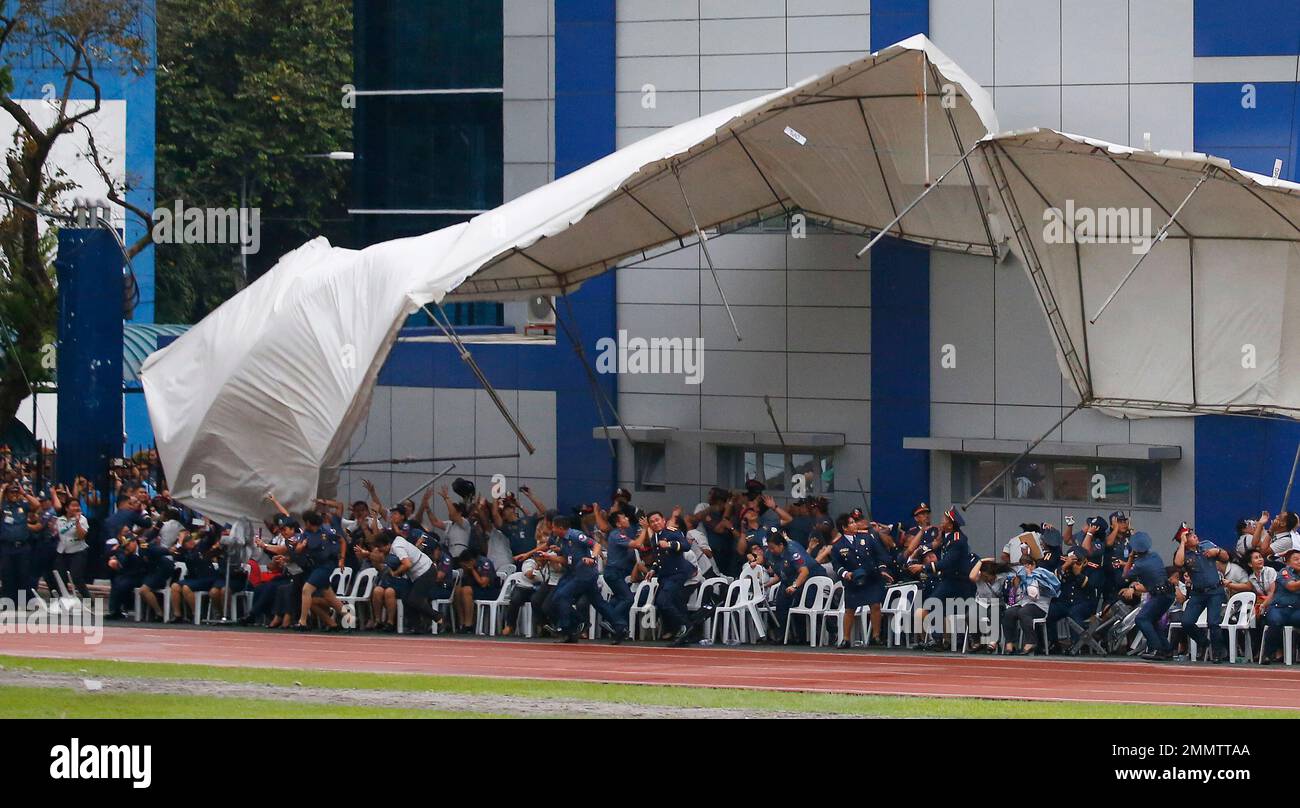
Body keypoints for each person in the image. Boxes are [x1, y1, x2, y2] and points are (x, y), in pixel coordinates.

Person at [544, 515, 627, 644]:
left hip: (584, 574)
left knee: (561, 596)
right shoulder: (562, 540)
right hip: (575, 573)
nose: (552, 530)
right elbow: (566, 560)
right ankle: (620, 627)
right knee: (599, 603)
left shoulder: (576, 535)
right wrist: (548, 557)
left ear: (560, 527)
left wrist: (592, 558)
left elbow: (596, 545)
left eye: (553, 527)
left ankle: (572, 625)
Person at [829, 513, 892, 648]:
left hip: (871, 577)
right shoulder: (838, 546)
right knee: (850, 609)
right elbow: (836, 565)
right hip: (853, 580)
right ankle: (846, 639)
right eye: (851, 523)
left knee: (875, 605)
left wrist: (882, 570)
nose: (855, 524)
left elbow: (879, 555)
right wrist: (845, 574)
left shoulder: (867, 538)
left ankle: (875, 637)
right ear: (844, 527)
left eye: (854, 522)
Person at [1173, 525, 1230, 663]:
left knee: (1213, 622)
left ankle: (1218, 653)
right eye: (1189, 535)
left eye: (1193, 534)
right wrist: (1182, 543)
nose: (1194, 536)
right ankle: (1204, 642)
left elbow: (1226, 557)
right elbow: (1178, 563)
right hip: (1198, 593)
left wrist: (1217, 551)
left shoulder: (1206, 545)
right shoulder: (1183, 553)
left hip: (1215, 591)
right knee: (1186, 622)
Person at [763, 526, 827, 643]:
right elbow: (779, 573)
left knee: (805, 603)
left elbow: (804, 571)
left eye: (773, 548)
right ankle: (783, 636)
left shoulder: (792, 551)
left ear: (781, 545)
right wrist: (766, 584)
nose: (770, 550)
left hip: (810, 578)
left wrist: (794, 586)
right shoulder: (769, 554)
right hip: (789, 579)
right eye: (769, 547)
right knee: (781, 603)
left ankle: (815, 635)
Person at [1119, 531, 1173, 661]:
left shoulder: (1139, 565)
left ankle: (1156, 649)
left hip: (1159, 595)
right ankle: (1166, 649)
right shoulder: (1155, 556)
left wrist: (1130, 557)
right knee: (1152, 620)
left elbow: (1125, 575)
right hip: (1168, 594)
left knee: (1142, 619)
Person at [648, 508, 697, 646]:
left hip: (676, 574)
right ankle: (685, 632)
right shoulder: (654, 538)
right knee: (667, 603)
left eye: (657, 520)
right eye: (652, 522)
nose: (655, 523)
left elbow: (686, 546)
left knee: (664, 601)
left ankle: (685, 626)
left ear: (663, 520)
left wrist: (669, 545)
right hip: (664, 575)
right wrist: (652, 569)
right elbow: (658, 557)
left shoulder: (672, 532)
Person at [293, 510, 347, 631]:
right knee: (329, 596)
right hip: (315, 566)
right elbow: (297, 549)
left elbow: (342, 540)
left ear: (308, 522)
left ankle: (302, 622)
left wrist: (342, 559)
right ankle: (349, 619)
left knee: (306, 589)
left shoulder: (326, 530)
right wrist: (300, 547)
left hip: (327, 565)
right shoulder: (306, 533)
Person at [595, 504, 642, 634]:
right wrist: (645, 529)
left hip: (616, 573)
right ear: (618, 524)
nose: (627, 518)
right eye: (623, 518)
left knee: (619, 599)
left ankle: (616, 624)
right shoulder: (617, 535)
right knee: (628, 598)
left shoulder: (622, 534)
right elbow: (637, 544)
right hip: (613, 572)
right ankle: (612, 621)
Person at [1000, 555, 1057, 654]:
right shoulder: (1021, 576)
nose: (1025, 568)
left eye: (1027, 565)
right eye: (1023, 566)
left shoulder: (1041, 574)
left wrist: (1030, 576)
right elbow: (1013, 597)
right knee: (1009, 613)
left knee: (1024, 612)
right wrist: (1016, 583)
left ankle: (1031, 641)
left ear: (1033, 564)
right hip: (1024, 603)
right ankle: (1010, 643)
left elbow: (1033, 595)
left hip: (1039, 605)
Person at [0, 482, 40, 605]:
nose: (14, 494)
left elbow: (37, 505)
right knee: (7, 575)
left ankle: (23, 602)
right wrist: (2, 491)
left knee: (24, 575)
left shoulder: (22, 505)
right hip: (7, 547)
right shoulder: (4, 506)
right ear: (7, 493)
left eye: (16, 492)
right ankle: (9, 602)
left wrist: (24, 494)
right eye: (12, 492)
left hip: (22, 546)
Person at [1260, 549, 1300, 664]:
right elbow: (1291, 586)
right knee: (1276, 622)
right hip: (1279, 608)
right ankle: (1268, 654)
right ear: (1287, 562)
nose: (1299, 561)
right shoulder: (1284, 572)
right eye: (1296, 559)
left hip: (1296, 610)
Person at [55, 495, 91, 599]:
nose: (76, 508)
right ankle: (64, 599)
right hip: (63, 552)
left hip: (78, 551)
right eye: (73, 506)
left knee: (76, 577)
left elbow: (81, 536)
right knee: (60, 577)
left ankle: (87, 599)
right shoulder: (60, 520)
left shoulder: (83, 519)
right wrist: (71, 523)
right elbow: (62, 532)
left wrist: (77, 522)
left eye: (78, 506)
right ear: (66, 508)